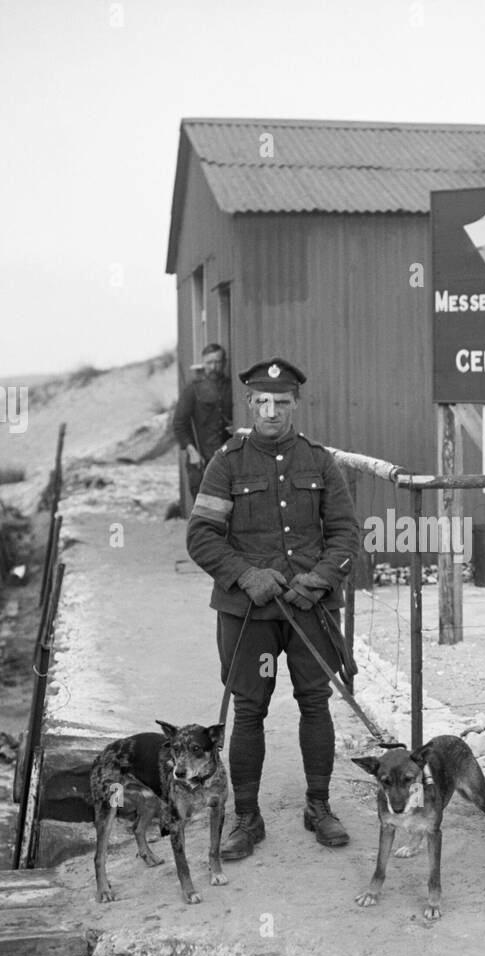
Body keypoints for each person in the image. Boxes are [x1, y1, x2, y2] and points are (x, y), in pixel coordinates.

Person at [186, 357, 361, 858]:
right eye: (262, 402)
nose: (271, 411)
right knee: (249, 710)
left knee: (315, 702)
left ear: (295, 405)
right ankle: (246, 817)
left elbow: (347, 533)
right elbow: (201, 535)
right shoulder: (227, 462)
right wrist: (245, 575)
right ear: (249, 404)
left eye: (281, 403)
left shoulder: (319, 461)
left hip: (310, 609)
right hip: (249, 615)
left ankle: (319, 806)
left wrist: (322, 578)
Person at [173, 343, 233, 506]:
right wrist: (192, 451)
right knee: (203, 509)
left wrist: (234, 427)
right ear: (203, 363)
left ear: (224, 362)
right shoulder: (193, 389)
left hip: (227, 459)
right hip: (200, 459)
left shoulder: (231, 387)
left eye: (217, 362)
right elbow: (179, 424)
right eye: (209, 363)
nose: (213, 367)